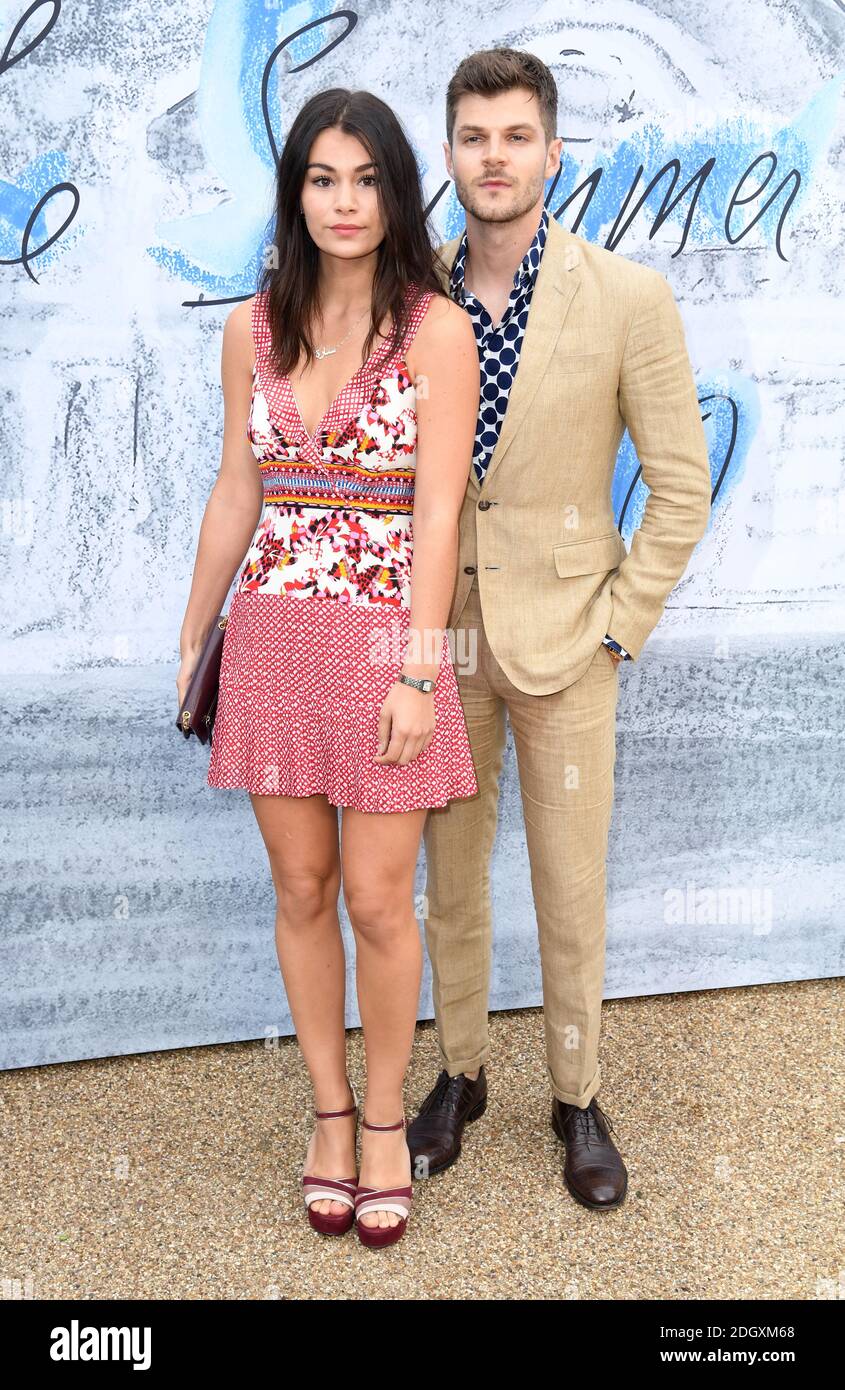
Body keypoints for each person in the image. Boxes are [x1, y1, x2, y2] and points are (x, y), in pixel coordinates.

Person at [407, 48, 712, 1209]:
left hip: (570, 639)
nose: (494, 157)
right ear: (450, 153)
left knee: (568, 884)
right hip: (442, 645)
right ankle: (459, 1073)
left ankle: (575, 1096)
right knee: (450, 877)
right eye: (473, 137)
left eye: (515, 136)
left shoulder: (626, 297)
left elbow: (678, 483)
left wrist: (616, 628)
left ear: (550, 150)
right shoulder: (408, 295)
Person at [176, 88, 480, 1248]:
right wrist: (194, 635)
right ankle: (330, 1113)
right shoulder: (249, 328)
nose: (342, 202)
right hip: (271, 641)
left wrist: (419, 673)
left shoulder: (433, 330)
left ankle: (392, 1123)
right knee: (299, 889)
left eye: (364, 179)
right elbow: (236, 490)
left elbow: (440, 518)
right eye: (320, 178)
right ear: (293, 190)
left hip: (383, 648)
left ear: (395, 192)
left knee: (373, 899)